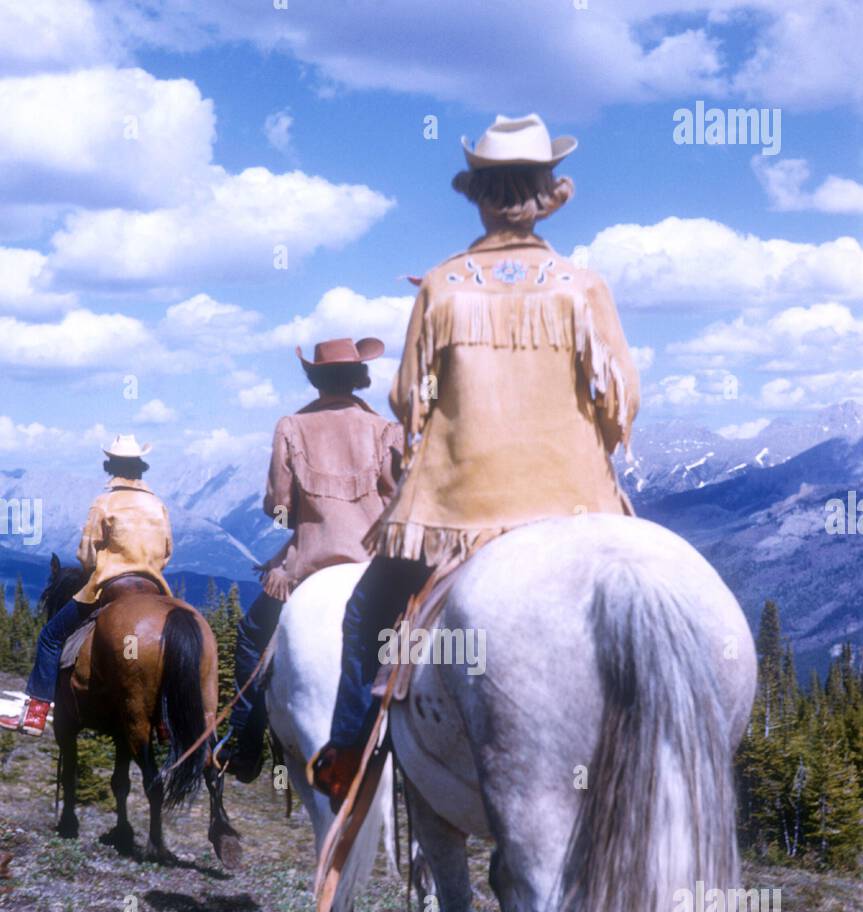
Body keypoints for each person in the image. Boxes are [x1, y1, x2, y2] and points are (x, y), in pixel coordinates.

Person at [312, 112, 640, 804]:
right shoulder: (582, 286)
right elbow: (623, 404)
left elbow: (407, 401)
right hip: (577, 507)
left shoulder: (442, 285)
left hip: (456, 513)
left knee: (367, 614)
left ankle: (347, 753)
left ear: (478, 195)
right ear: (548, 191)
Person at [217, 337, 402, 781]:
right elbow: (397, 498)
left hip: (311, 565)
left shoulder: (290, 427)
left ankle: (246, 746)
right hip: (376, 567)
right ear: (360, 378)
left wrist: (298, 511)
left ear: (314, 379)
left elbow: (277, 507)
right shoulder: (385, 429)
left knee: (252, 637)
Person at [1, 434, 173, 737]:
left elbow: (86, 554)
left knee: (51, 637)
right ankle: (165, 721)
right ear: (141, 467)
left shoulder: (104, 503)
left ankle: (36, 716)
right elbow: (168, 551)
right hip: (154, 587)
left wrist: (99, 567)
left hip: (111, 586)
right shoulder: (157, 505)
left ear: (111, 465)